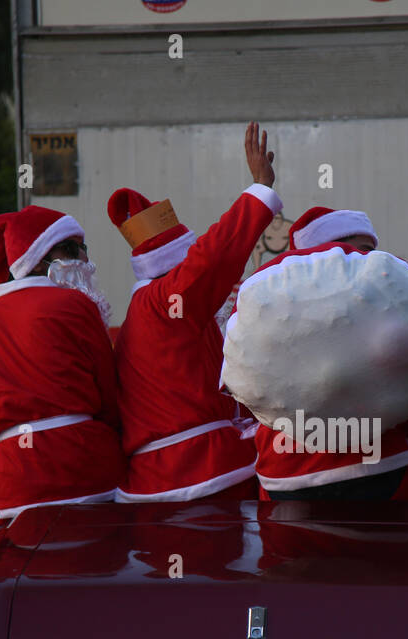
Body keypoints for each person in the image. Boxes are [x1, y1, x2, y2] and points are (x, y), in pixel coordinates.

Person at [109, 122, 282, 502]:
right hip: (196, 475)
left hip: (156, 478)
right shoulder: (165, 299)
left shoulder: (146, 310)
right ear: (177, 263)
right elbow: (213, 258)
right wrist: (259, 190)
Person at [223, 228, 408, 501]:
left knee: (287, 543)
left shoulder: (266, 288)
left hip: (286, 474)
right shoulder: (381, 291)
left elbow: (243, 381)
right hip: (381, 465)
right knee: (392, 542)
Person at [0, 205, 126, 528]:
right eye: (71, 249)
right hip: (89, 475)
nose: (84, 260)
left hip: (16, 490)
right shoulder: (76, 306)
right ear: (38, 260)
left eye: (82, 249)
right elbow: (111, 400)